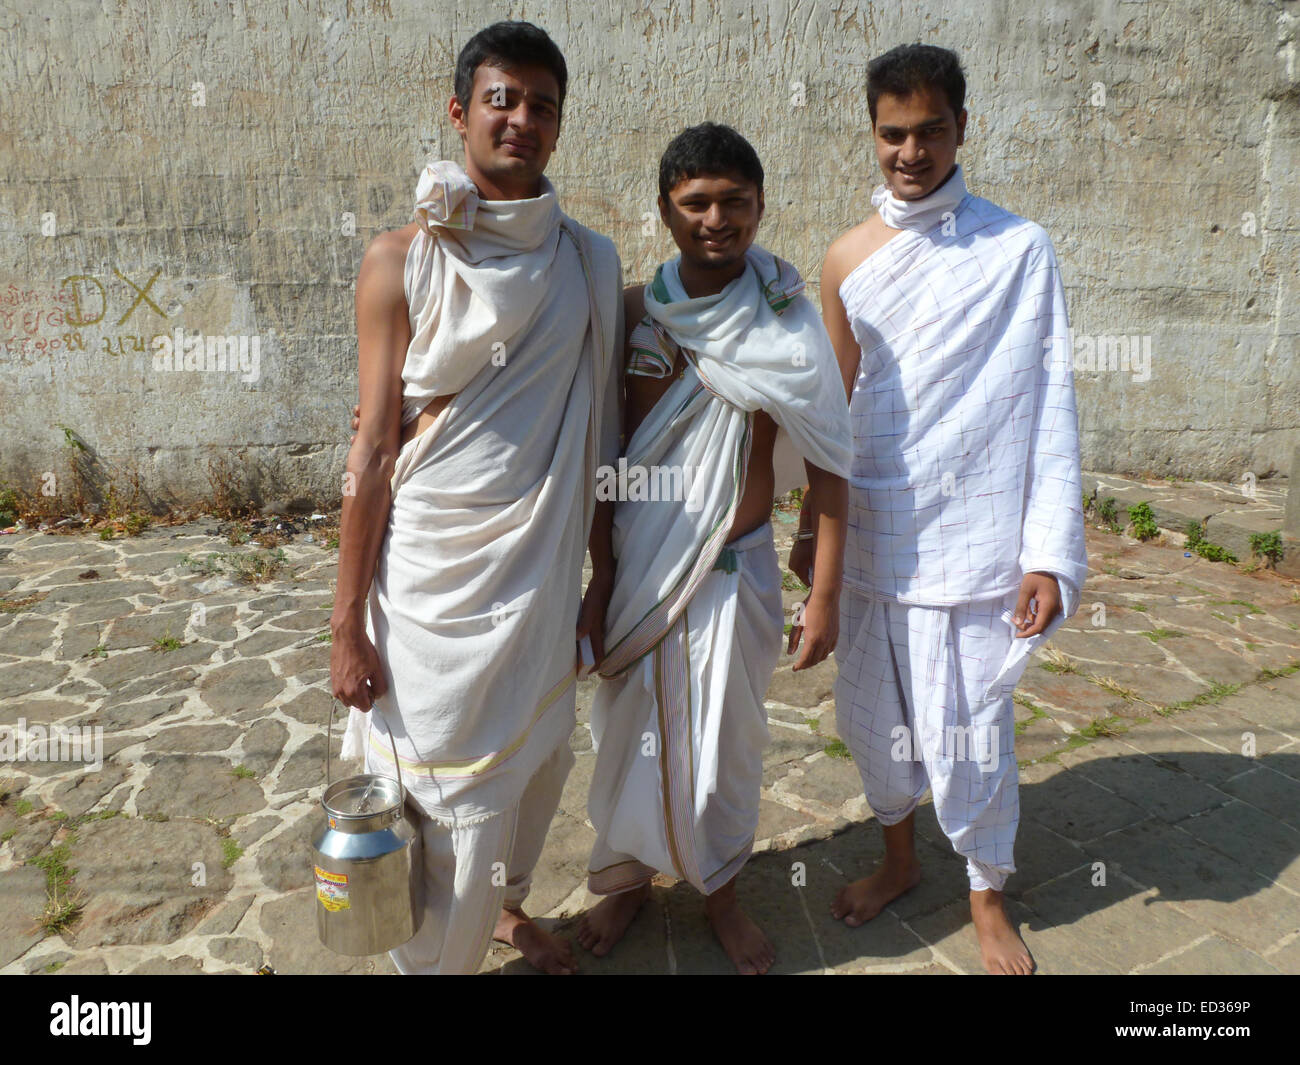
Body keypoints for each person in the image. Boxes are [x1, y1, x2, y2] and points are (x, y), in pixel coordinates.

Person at [329, 20, 621, 976]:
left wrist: (601, 579)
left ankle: (502, 908)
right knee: (438, 800)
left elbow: (604, 435)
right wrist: (344, 625)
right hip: (430, 590)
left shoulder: (589, 263)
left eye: (542, 105)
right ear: (460, 114)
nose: (521, 119)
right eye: (502, 99)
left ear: (559, 125)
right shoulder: (400, 261)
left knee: (534, 774)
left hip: (538, 577)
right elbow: (373, 453)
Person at [800, 43, 1088, 975]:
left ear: (963, 127)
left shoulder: (1019, 248)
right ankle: (897, 861)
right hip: (879, 532)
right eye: (893, 134)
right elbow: (830, 410)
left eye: (930, 131)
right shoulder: (847, 256)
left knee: (970, 731)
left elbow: (1048, 400)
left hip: (977, 536)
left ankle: (986, 896)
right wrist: (815, 542)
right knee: (876, 722)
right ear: (872, 135)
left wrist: (1046, 552)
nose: (911, 152)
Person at [574, 124, 852, 974]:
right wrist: (600, 576)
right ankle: (626, 882)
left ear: (761, 206)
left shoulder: (786, 324)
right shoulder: (629, 313)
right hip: (643, 574)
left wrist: (828, 590)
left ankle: (721, 892)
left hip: (738, 570)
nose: (716, 218)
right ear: (665, 210)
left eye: (735, 201)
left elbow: (834, 463)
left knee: (728, 747)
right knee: (628, 738)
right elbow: (600, 456)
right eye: (696, 202)